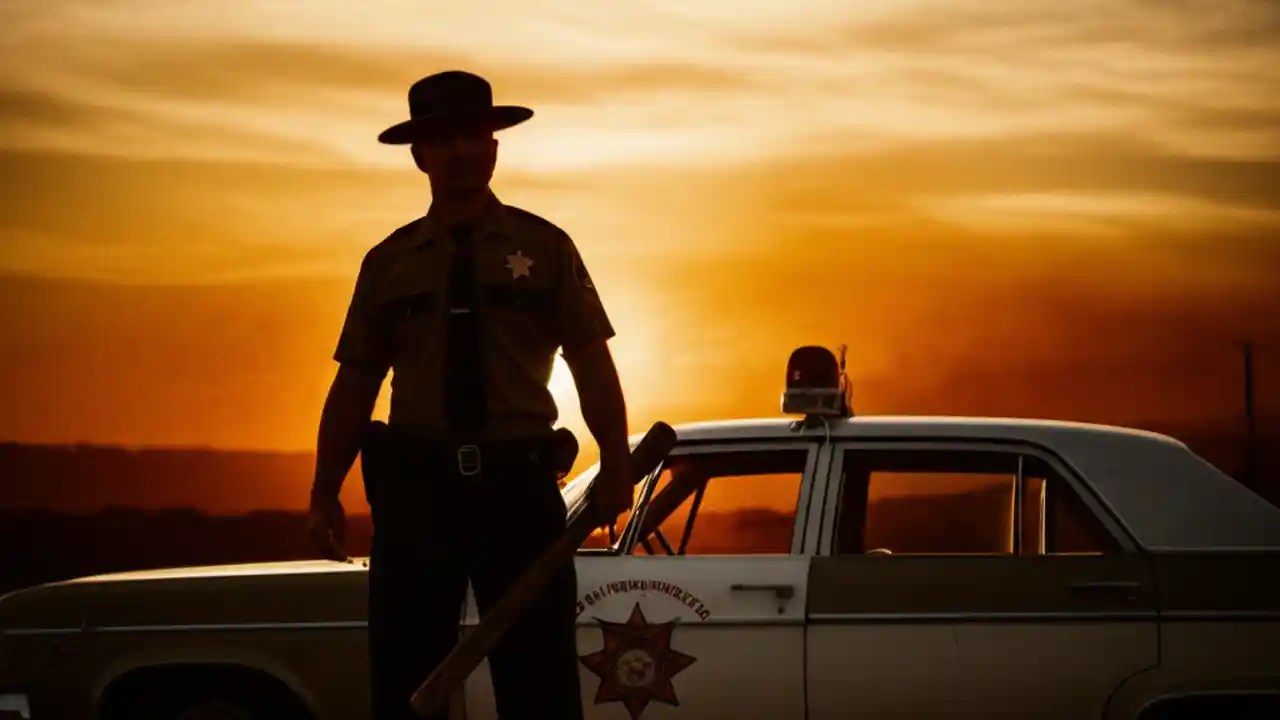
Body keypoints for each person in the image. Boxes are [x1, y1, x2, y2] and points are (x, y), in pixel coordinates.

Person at [307, 70, 634, 720]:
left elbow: (590, 359)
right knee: (406, 681)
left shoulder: (543, 249)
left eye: (474, 135)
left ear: (493, 146)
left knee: (538, 682)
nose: (461, 151)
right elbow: (355, 382)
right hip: (417, 496)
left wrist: (617, 460)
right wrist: (324, 488)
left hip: (519, 493)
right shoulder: (389, 263)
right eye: (444, 138)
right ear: (419, 155)